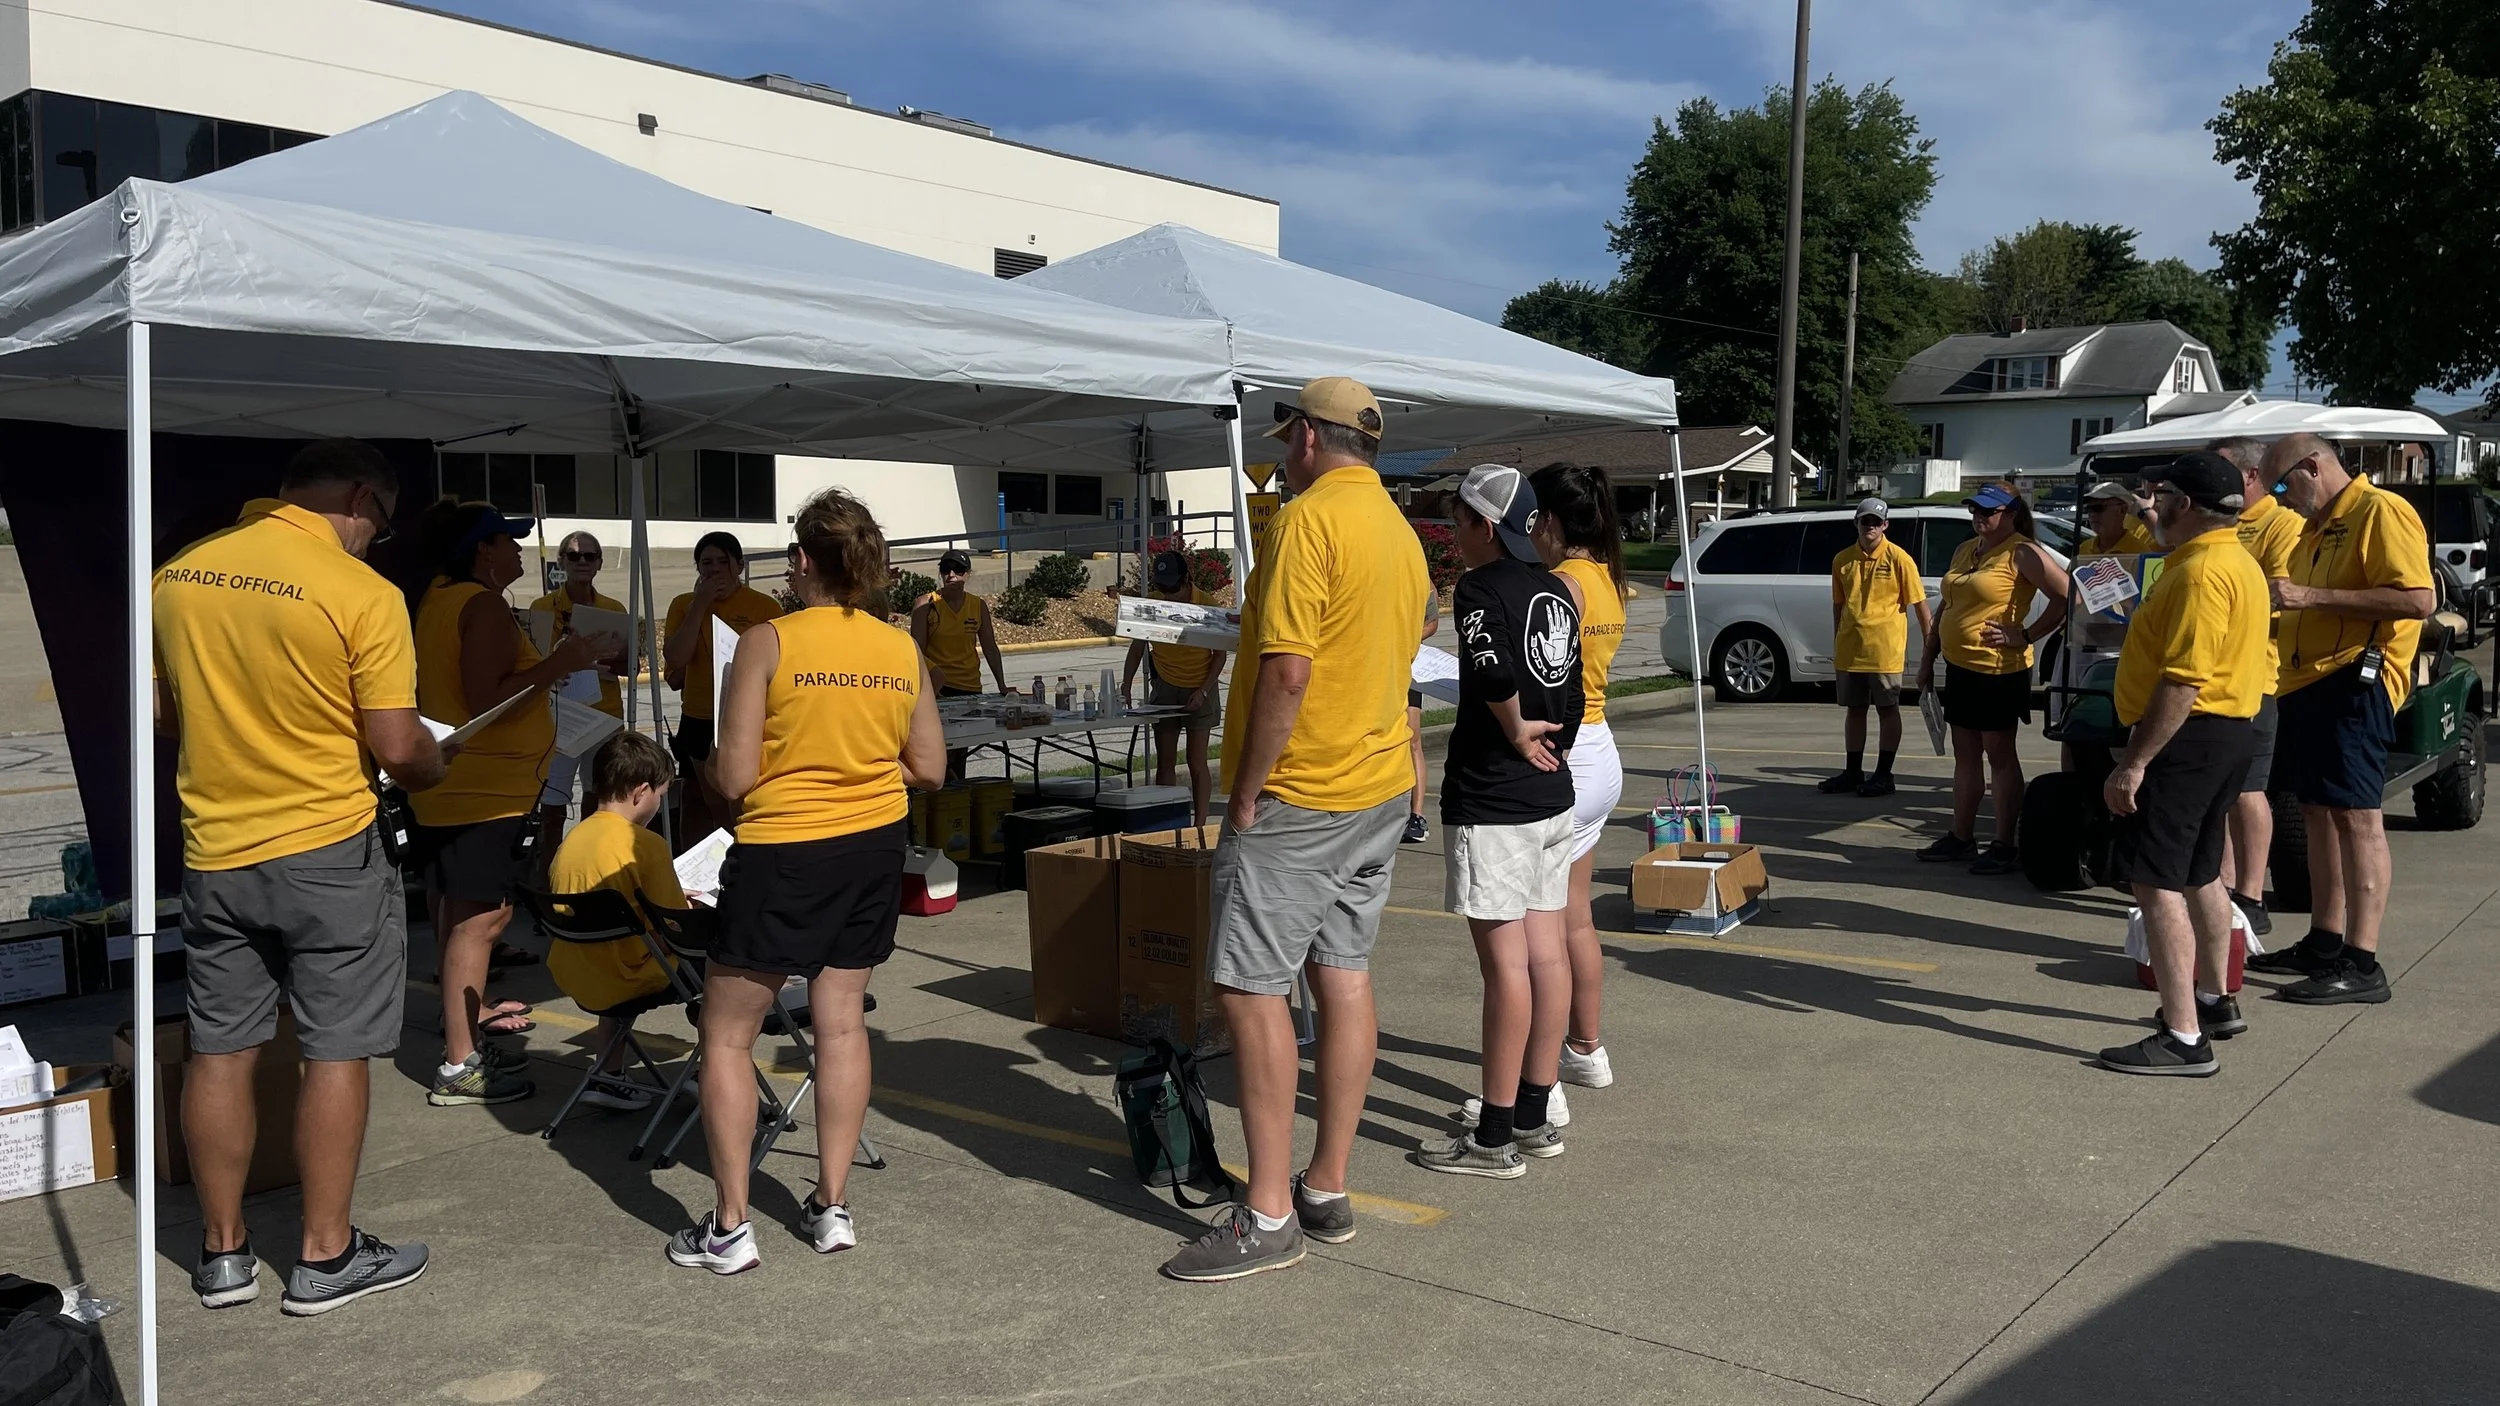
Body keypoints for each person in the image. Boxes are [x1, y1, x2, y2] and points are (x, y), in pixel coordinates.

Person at [154, 438, 450, 1314]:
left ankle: (223, 1254)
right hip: (328, 843)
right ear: (360, 498)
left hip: (216, 845)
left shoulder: (181, 574)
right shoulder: (360, 591)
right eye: (379, 526)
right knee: (337, 1047)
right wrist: (435, 762)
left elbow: (165, 714)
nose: (374, 540)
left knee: (219, 1049)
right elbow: (398, 746)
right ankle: (326, 1255)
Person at [1160, 377, 1427, 1282]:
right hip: (1375, 785)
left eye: (1288, 442)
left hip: (1302, 793)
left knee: (1249, 989)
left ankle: (1268, 1212)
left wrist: (1244, 793)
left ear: (1311, 438)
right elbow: (1398, 640)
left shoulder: (1305, 523)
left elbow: (1287, 672)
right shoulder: (1398, 529)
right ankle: (1325, 1185)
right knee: (1342, 977)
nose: (1283, 457)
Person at [669, 489, 946, 1274]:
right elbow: (930, 767)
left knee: (726, 1034)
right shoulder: (900, 648)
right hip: (872, 847)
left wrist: (753, 768)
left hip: (785, 848)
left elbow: (734, 777)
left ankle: (730, 1226)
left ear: (801, 560)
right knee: (842, 1026)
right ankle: (832, 1205)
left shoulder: (768, 641)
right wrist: (858, 768)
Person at [409, 501, 617, 1107]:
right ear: (482, 551)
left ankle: (462, 1036)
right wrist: (560, 664)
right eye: (507, 539)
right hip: (484, 791)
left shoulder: (441, 596)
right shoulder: (480, 605)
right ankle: (460, 1063)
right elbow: (485, 698)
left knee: (458, 916)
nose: (519, 549)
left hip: (458, 785)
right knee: (482, 922)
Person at [1414, 465, 1583, 1179]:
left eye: (1458, 521)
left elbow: (1488, 671)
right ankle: (1535, 1114)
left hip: (1495, 798)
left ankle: (1493, 1135)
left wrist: (1514, 730)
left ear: (1485, 526)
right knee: (1548, 956)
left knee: (1505, 966)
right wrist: (1547, 740)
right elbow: (1574, 691)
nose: (1454, 533)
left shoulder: (1480, 587)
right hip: (1552, 793)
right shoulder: (1557, 588)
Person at [2094, 453, 2272, 1076]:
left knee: (2156, 880)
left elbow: (2184, 679)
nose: (2153, 504)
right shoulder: (2232, 561)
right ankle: (2214, 999)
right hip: (2225, 734)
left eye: (2161, 493)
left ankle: (2184, 1036)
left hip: (2188, 739)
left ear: (2186, 503)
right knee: (2200, 872)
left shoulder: (2201, 572)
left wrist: (2134, 762)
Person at [2245, 433, 2435, 1005]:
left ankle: (2362, 959)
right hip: (2306, 681)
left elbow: (2418, 600)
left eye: (2282, 486)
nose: (2280, 499)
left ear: (2312, 466)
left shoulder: (2379, 511)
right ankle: (2325, 940)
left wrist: (2307, 597)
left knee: (2356, 815)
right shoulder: (2313, 528)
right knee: (2318, 810)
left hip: (2354, 678)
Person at [1529, 462, 1626, 1093]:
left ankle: (1539, 1086)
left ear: (1551, 521)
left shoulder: (1561, 584)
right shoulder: (1609, 576)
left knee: (1537, 933)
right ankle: (1586, 1049)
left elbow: (1540, 676)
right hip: (1599, 748)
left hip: (1566, 753)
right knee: (1575, 919)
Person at [1917, 483, 2071, 874]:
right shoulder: (1967, 549)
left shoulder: (2022, 551)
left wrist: (2026, 634)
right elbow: (1947, 604)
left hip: (1998, 670)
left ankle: (2004, 843)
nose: (1978, 517)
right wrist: (1929, 655)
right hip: (1960, 666)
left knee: (1999, 753)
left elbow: (2068, 596)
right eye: (1975, 510)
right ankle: (1961, 836)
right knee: (1965, 752)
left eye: (1988, 511)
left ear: (2012, 514)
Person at [543, 730, 685, 1110]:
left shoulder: (571, 841)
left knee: (618, 942)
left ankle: (609, 1074)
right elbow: (676, 928)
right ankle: (714, 1070)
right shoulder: (646, 845)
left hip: (580, 972)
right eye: (660, 794)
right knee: (723, 970)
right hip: (629, 976)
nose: (658, 803)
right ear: (641, 792)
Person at [2213, 435, 2303, 936]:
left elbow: (2283, 595)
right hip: (2212, 674)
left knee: (2248, 789)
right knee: (2220, 789)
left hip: (2256, 674)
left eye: (2223, 470)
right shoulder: (2221, 521)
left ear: (2251, 475)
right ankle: (2222, 888)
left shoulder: (2281, 524)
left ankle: (2251, 894)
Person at [663, 533, 784, 838]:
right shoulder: (683, 604)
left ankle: (738, 848)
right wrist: (700, 604)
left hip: (743, 714)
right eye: (707, 563)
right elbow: (676, 657)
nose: (715, 570)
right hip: (699, 715)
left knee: (731, 797)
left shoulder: (763, 606)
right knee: (694, 797)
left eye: (722, 562)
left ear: (739, 566)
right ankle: (692, 859)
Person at [1821, 498, 1932, 798]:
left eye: (1876, 522)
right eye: (1865, 521)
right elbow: (1839, 605)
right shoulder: (1842, 560)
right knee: (1855, 710)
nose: (1870, 526)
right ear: (1856, 523)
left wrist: (1930, 647)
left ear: (1885, 525)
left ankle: (1884, 773)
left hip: (1884, 650)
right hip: (1851, 650)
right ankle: (1852, 771)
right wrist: (1837, 640)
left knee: (1887, 709)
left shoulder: (1899, 558)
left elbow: (1920, 606)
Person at [527, 531, 628, 843]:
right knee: (552, 804)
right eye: (573, 555)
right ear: (561, 562)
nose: (582, 561)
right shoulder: (541, 607)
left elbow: (629, 666)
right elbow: (532, 664)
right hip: (559, 717)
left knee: (598, 800)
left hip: (604, 716)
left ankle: (585, 857)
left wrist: (604, 659)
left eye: (589, 556)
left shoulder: (614, 609)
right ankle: (549, 866)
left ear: (599, 563)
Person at [1119, 550, 1228, 828]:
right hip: (1165, 685)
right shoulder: (1154, 604)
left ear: (1186, 579)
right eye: (1163, 587)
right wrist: (1126, 683)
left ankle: (1199, 824)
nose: (1168, 594)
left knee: (1196, 761)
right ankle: (1166, 824)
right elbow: (1138, 645)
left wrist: (1203, 691)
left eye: (1173, 588)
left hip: (1200, 685)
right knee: (1165, 760)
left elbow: (1220, 655)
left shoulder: (1207, 605)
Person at [911, 548, 1010, 780]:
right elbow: (916, 651)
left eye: (958, 570)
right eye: (946, 569)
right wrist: (927, 689)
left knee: (960, 754)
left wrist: (1002, 685)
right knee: (939, 753)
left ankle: (958, 795)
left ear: (968, 574)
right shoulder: (927, 604)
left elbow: (990, 647)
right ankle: (942, 795)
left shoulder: (977, 606)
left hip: (969, 689)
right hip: (939, 690)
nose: (952, 575)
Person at [1401, 592, 1442, 845]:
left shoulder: (1423, 582)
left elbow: (1432, 623)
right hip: (1372, 665)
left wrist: (1405, 639)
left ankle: (1416, 815)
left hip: (1408, 663)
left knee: (1412, 738)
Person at [2077, 480, 2158, 557]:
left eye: (2098, 508)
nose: (2092, 514)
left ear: (2122, 510)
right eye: (2088, 509)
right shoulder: (2083, 549)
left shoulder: (2140, 552)